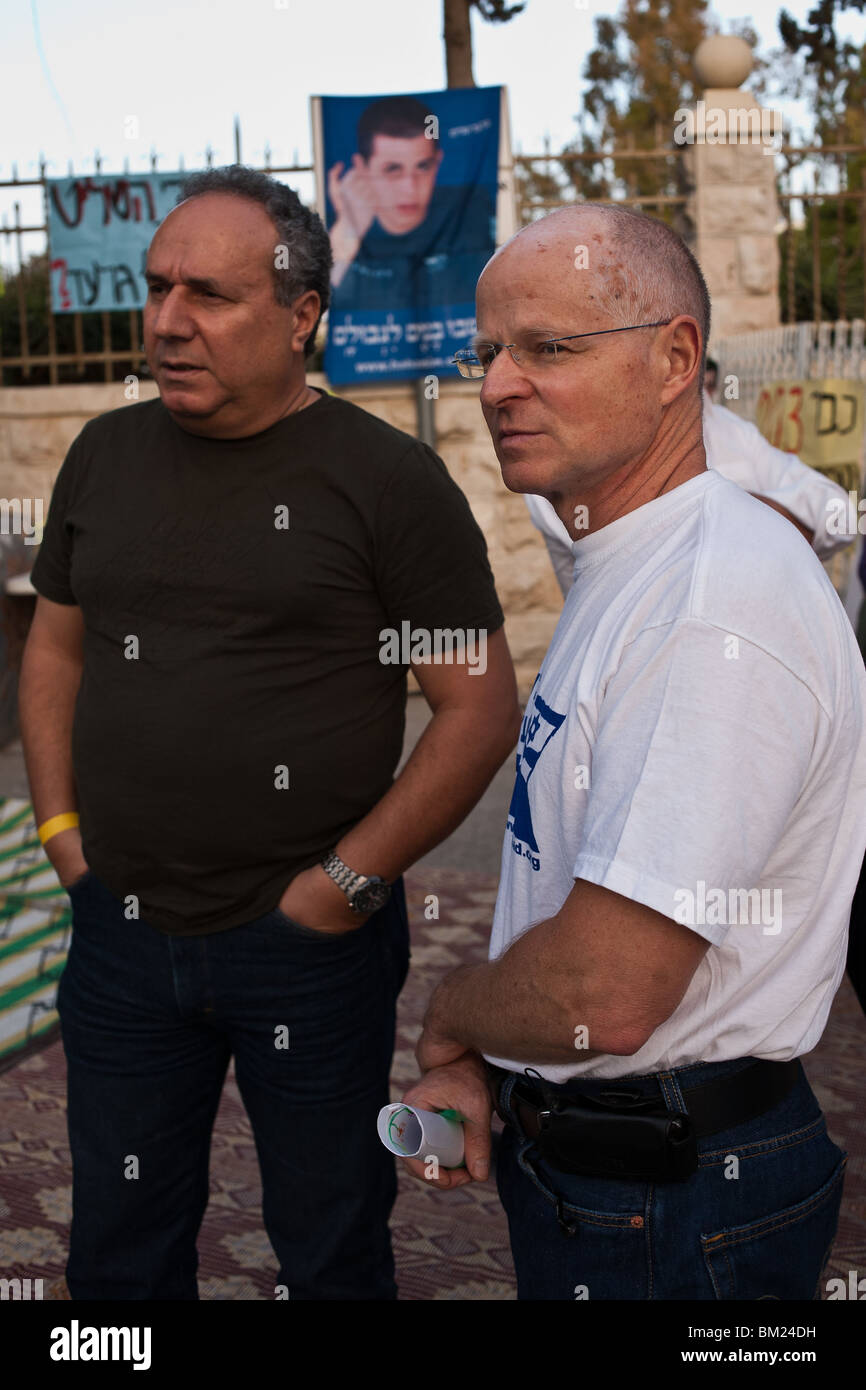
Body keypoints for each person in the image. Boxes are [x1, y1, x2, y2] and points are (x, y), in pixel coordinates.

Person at [20, 164, 521, 1301]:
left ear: (300, 316)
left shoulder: (385, 481)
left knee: (330, 1232)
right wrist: (61, 832)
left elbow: (476, 706)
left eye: (207, 293)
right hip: (123, 929)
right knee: (116, 1242)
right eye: (156, 290)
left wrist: (343, 882)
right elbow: (55, 646)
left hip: (306, 946)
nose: (166, 322)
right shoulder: (105, 454)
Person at [398, 204, 866, 1301]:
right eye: (489, 353)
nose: (497, 384)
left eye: (548, 349)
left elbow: (605, 995)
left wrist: (452, 1015)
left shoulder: (710, 607)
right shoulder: (632, 551)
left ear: (672, 359)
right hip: (626, 1165)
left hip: (673, 1200)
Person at [328, 95, 494, 310]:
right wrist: (348, 230)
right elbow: (327, 309)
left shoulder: (476, 227)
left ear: (438, 162)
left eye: (423, 167)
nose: (410, 187)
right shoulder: (346, 236)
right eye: (393, 169)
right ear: (362, 168)